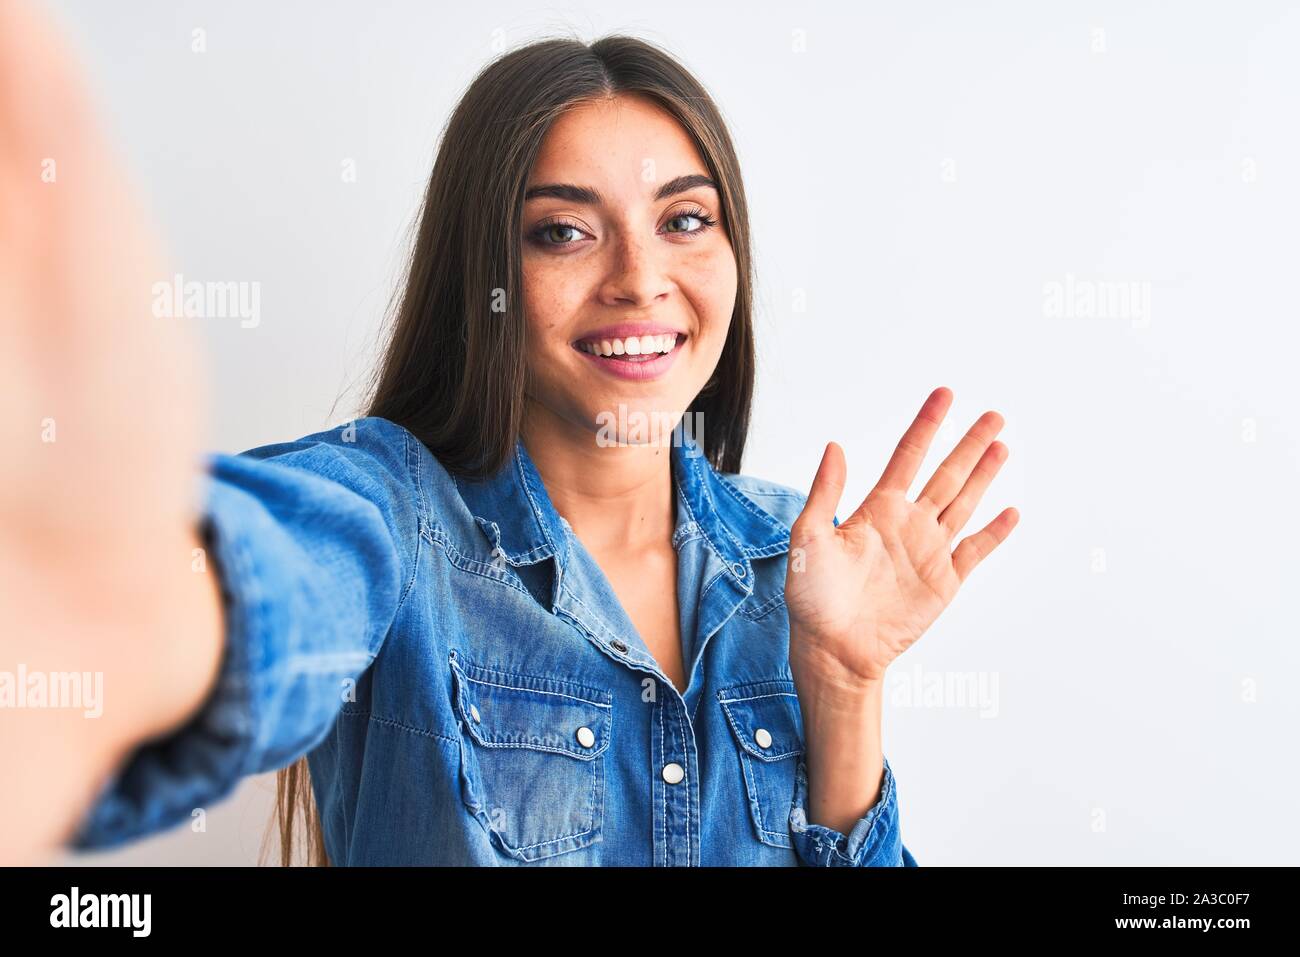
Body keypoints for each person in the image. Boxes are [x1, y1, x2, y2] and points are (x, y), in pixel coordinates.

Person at [0, 1, 1017, 866]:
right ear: (482, 277)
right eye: (562, 231)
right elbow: (263, 583)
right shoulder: (390, 514)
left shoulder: (793, 560)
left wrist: (843, 690)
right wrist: (108, 613)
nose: (637, 278)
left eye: (684, 220)